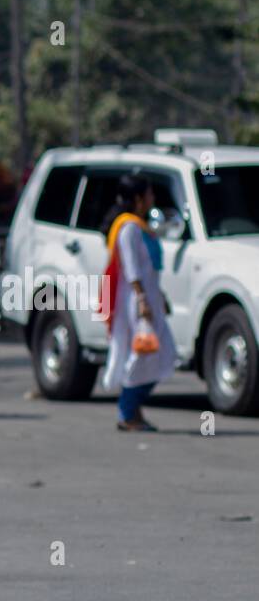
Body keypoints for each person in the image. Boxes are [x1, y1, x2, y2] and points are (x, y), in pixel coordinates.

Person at [96, 174, 177, 432]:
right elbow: (132, 268)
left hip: (147, 298)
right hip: (135, 301)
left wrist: (159, 295)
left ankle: (133, 411)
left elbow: (148, 269)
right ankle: (127, 412)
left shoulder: (140, 227)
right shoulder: (129, 228)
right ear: (140, 198)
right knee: (143, 355)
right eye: (150, 194)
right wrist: (143, 299)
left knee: (159, 353)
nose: (153, 198)